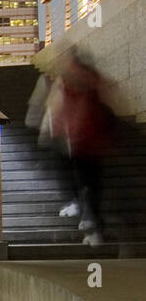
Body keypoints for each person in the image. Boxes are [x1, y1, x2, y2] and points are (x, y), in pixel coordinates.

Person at [48, 53, 116, 246]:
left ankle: (91, 224)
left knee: (87, 185)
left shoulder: (74, 87)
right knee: (90, 186)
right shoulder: (87, 84)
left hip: (83, 143)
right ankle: (91, 224)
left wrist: (60, 131)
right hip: (89, 144)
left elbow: (64, 114)